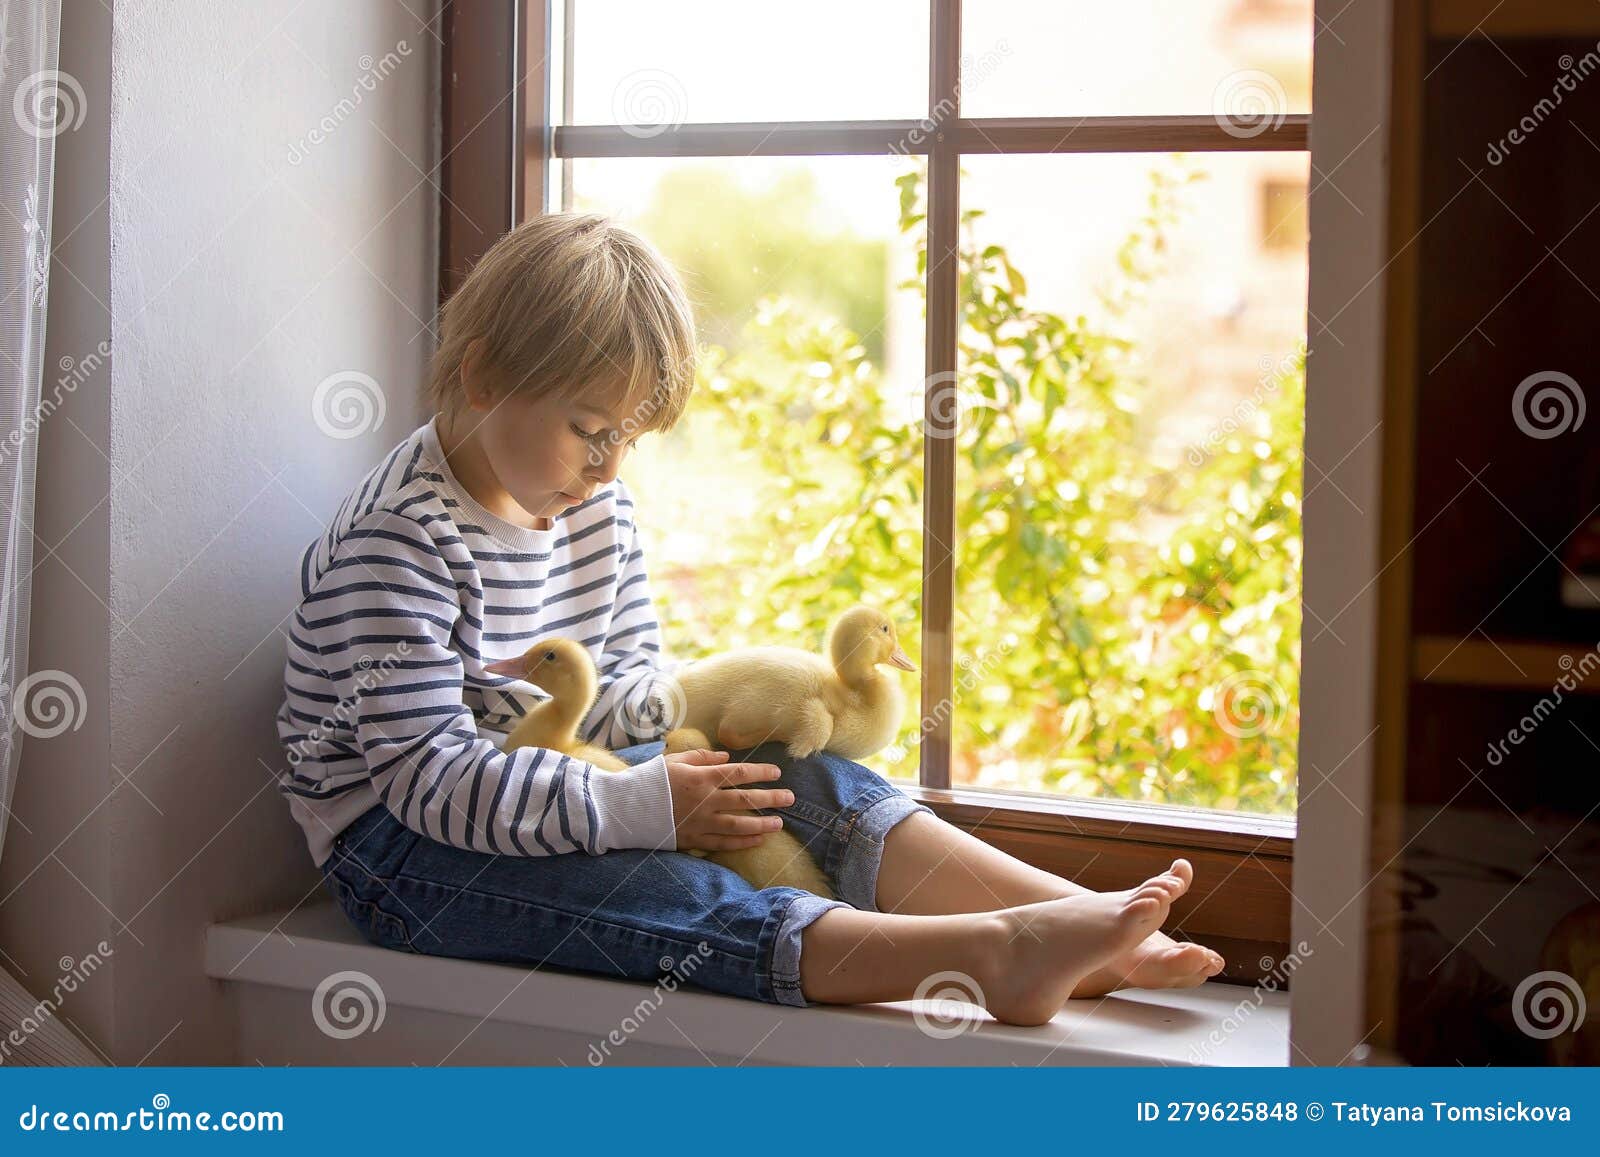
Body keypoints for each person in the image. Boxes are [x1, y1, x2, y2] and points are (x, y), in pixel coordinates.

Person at [276, 212, 1224, 1027]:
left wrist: (707, 732)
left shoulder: (594, 506)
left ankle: (1084, 923)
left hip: (572, 775)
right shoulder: (401, 540)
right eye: (590, 430)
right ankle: (992, 953)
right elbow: (429, 782)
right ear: (483, 375)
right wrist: (644, 805)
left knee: (794, 773)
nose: (609, 466)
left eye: (628, 439)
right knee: (669, 896)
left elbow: (625, 686)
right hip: (408, 851)